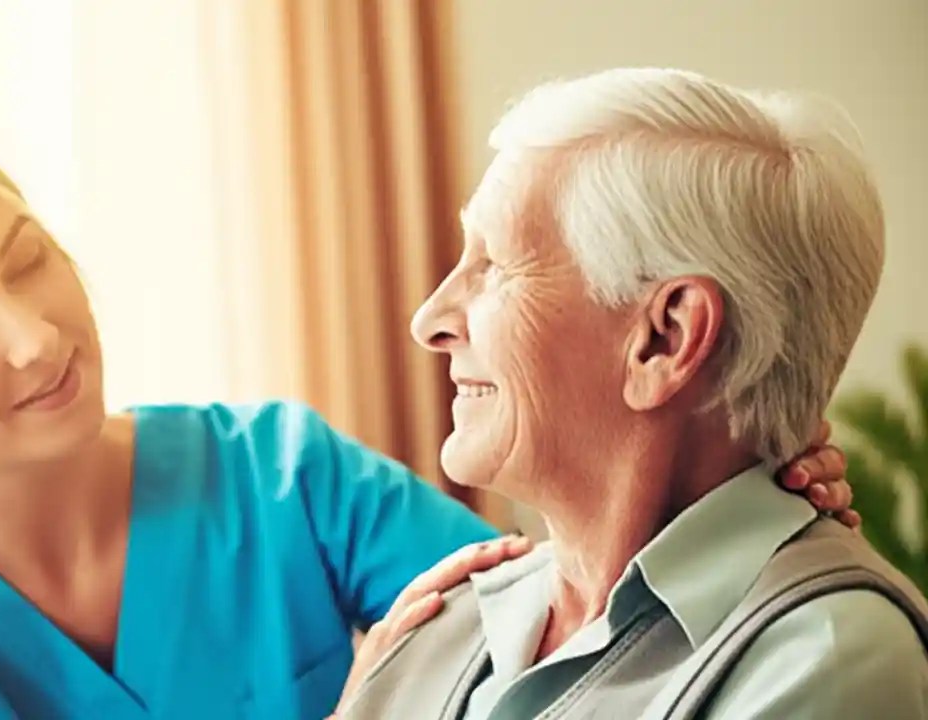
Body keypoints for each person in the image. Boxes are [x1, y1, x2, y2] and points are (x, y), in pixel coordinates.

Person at [0, 115, 854, 719]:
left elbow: (575, 650)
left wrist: (726, 488)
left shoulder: (284, 479)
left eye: (28, 262)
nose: (34, 336)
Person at [336, 68, 928, 719]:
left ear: (664, 340)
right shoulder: (436, 625)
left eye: (495, 264)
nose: (430, 320)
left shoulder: (825, 656)